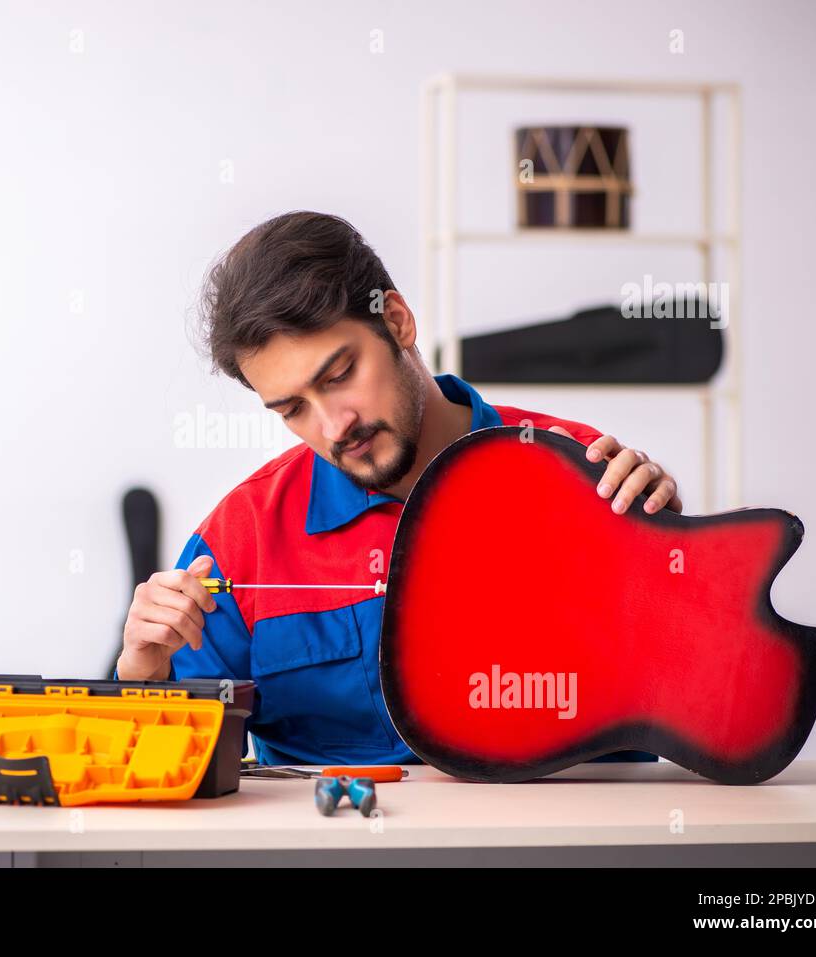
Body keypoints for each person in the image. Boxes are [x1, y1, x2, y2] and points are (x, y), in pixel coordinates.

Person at [116, 211, 681, 766]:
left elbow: (687, 698)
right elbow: (180, 774)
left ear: (398, 321)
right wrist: (144, 673)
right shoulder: (240, 541)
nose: (334, 427)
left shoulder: (582, 471)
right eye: (293, 409)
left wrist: (671, 556)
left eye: (339, 377)